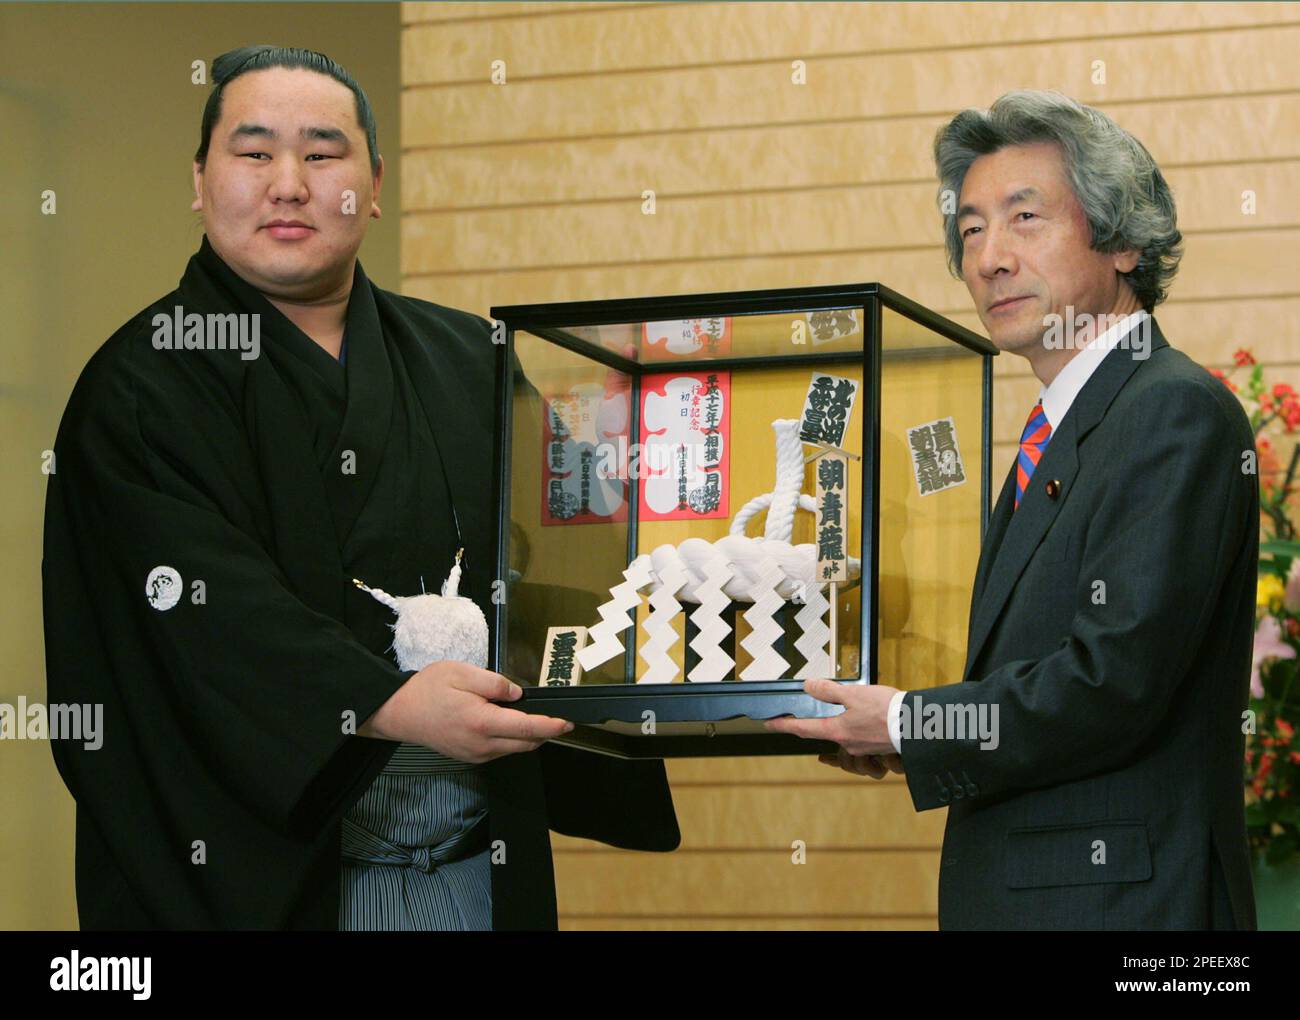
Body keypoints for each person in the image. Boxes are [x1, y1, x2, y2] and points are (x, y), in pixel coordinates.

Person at [42, 44, 678, 931]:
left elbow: (577, 554)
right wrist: (380, 704)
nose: (290, 183)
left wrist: (710, 635)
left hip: (469, 861)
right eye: (255, 152)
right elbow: (201, 617)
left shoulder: (470, 361)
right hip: (264, 883)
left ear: (374, 184)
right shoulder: (142, 386)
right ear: (199, 180)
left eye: (323, 152)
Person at [767, 89, 1258, 930]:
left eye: (1025, 219)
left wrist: (914, 722)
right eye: (969, 229)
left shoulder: (1170, 409)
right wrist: (893, 730)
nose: (989, 256)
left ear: (1126, 241)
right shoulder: (1062, 426)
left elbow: (1112, 683)